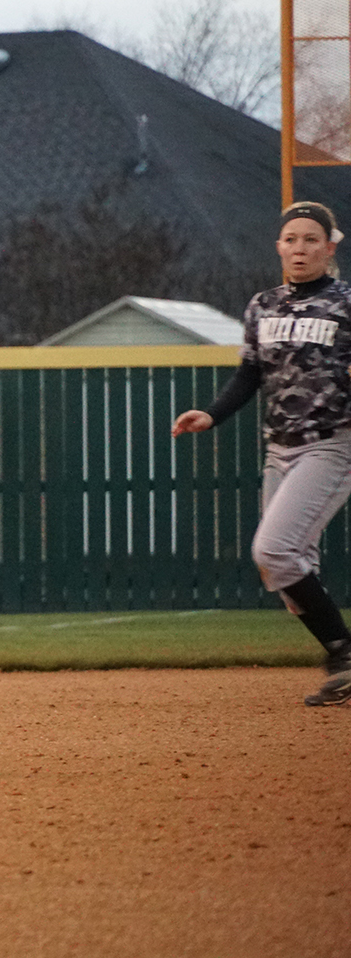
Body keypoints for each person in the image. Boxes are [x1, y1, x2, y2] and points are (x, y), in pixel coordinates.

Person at [171, 200, 351, 706]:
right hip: (280, 449)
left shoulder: (345, 303)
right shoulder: (262, 305)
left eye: (311, 239)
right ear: (278, 246)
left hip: (332, 444)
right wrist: (211, 414)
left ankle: (344, 656)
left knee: (272, 550)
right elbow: (250, 374)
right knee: (285, 574)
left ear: (329, 247)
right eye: (291, 238)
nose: (300, 248)